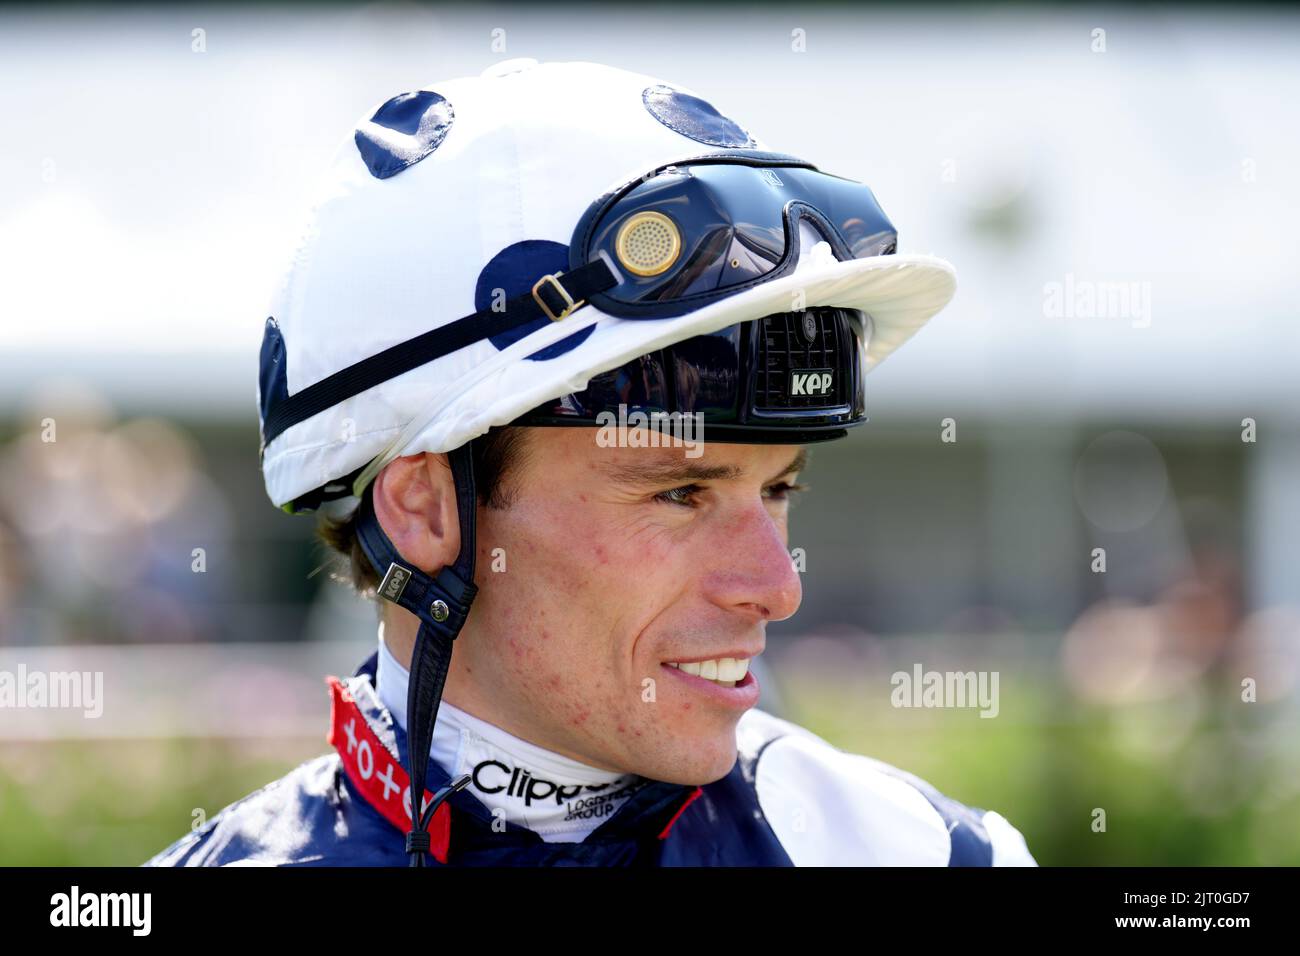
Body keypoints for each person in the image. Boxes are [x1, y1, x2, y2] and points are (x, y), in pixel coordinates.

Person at [147, 59, 1036, 867]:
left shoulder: (925, 853)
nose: (776, 586)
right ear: (422, 509)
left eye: (779, 489)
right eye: (681, 492)